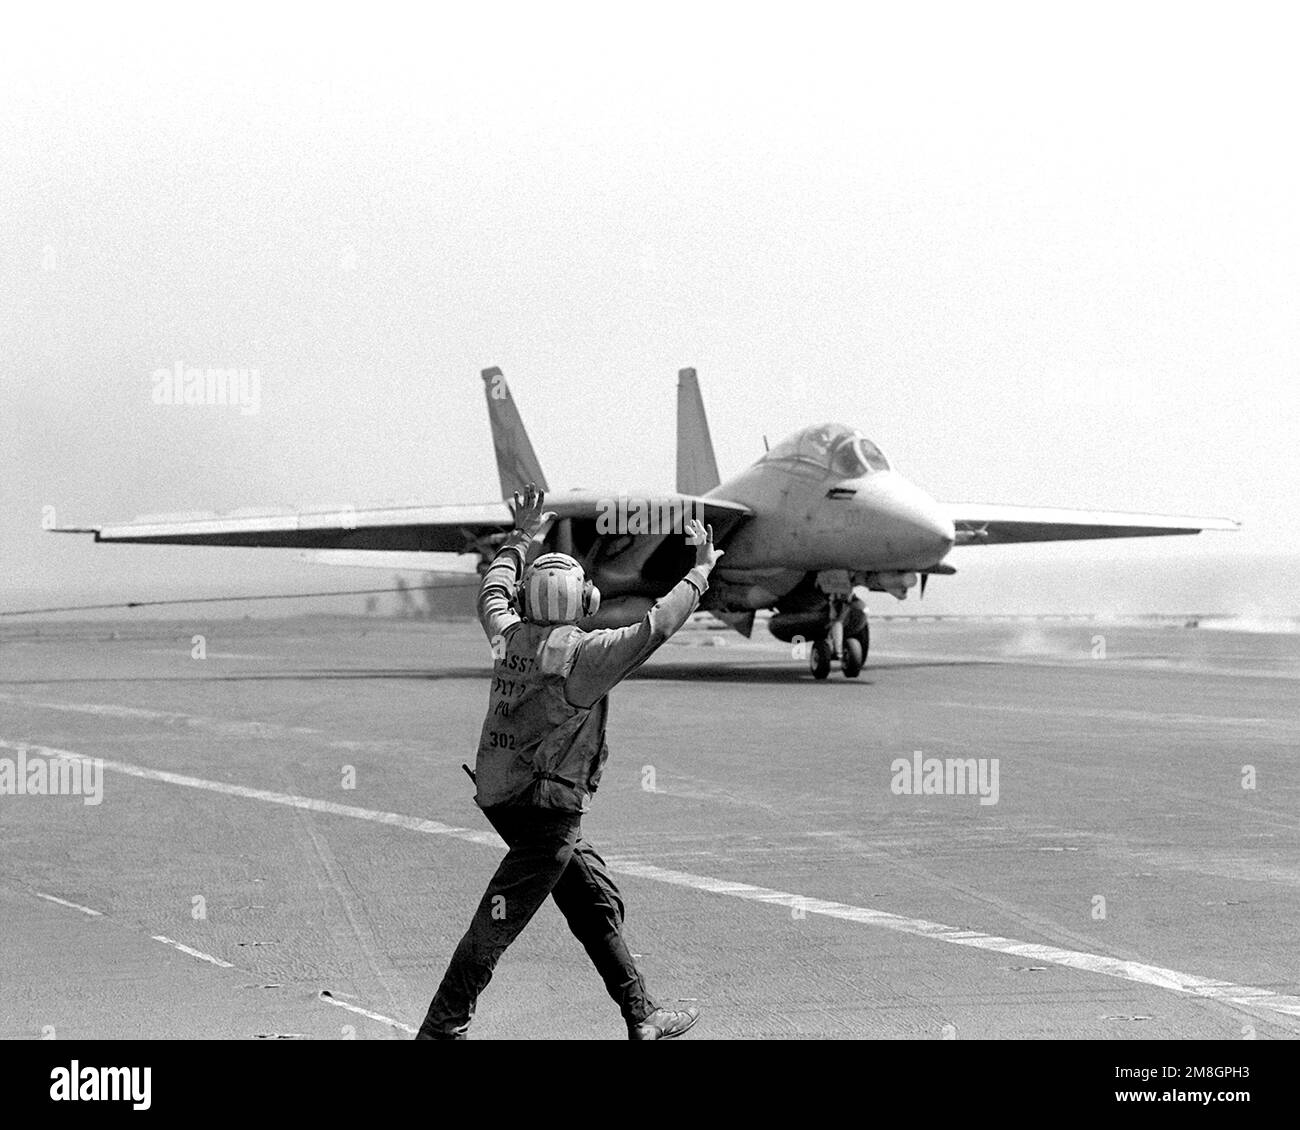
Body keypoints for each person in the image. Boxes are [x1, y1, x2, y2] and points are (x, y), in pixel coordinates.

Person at [415, 483, 723, 1040]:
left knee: (593, 904)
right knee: (497, 920)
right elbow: (657, 625)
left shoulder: (507, 637)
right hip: (548, 811)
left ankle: (643, 1015)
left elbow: (492, 589)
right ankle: (442, 1028)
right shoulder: (587, 656)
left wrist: (523, 538)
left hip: (503, 797)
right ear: (584, 602)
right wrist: (699, 572)